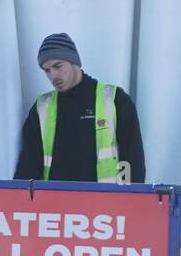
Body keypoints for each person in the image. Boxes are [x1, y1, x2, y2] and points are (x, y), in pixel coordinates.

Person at [13, 32, 145, 184]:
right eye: (47, 70)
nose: (53, 75)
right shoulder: (42, 108)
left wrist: (129, 199)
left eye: (58, 66)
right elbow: (28, 166)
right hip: (55, 205)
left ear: (75, 62)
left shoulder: (115, 100)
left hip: (105, 204)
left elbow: (132, 161)